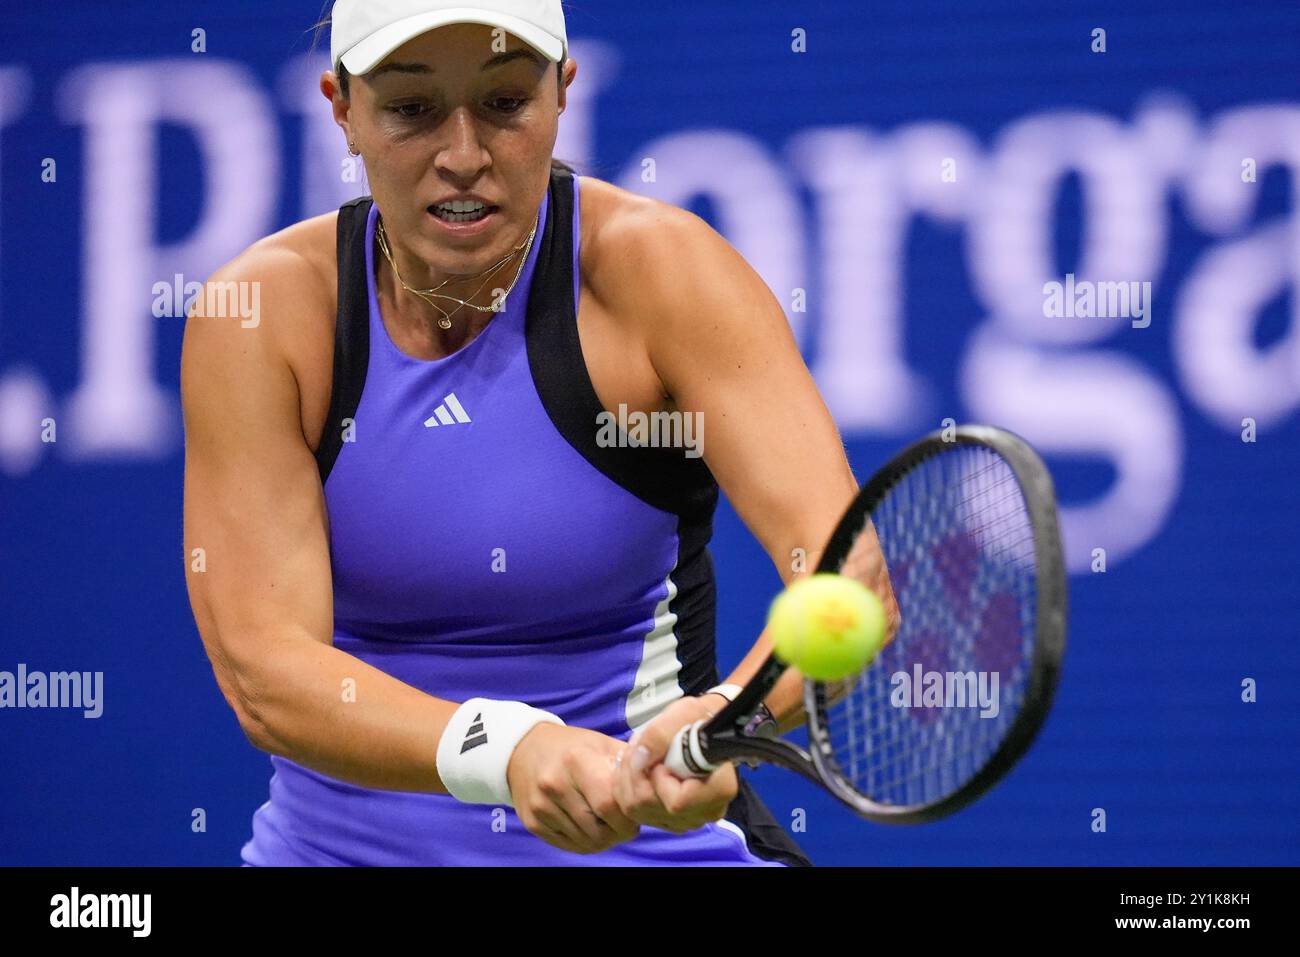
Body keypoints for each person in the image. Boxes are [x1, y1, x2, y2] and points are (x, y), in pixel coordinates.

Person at [181, 0, 898, 866]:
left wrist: (729, 716)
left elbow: (846, 575)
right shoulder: (261, 316)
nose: (463, 156)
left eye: (504, 103)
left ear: (563, 93)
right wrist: (508, 750)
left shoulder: (663, 274)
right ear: (342, 111)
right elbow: (266, 674)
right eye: (410, 110)